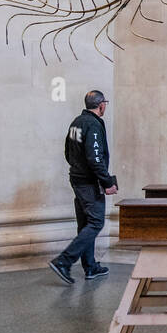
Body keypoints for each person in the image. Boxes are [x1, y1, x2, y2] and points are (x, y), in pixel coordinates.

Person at [49, 90, 117, 284]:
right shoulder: (93, 125)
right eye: (105, 103)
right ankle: (64, 261)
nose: (105, 106)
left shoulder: (76, 122)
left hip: (77, 179)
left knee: (86, 223)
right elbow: (95, 159)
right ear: (101, 105)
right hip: (89, 182)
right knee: (96, 222)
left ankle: (90, 267)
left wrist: (77, 169)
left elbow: (68, 152)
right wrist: (107, 182)